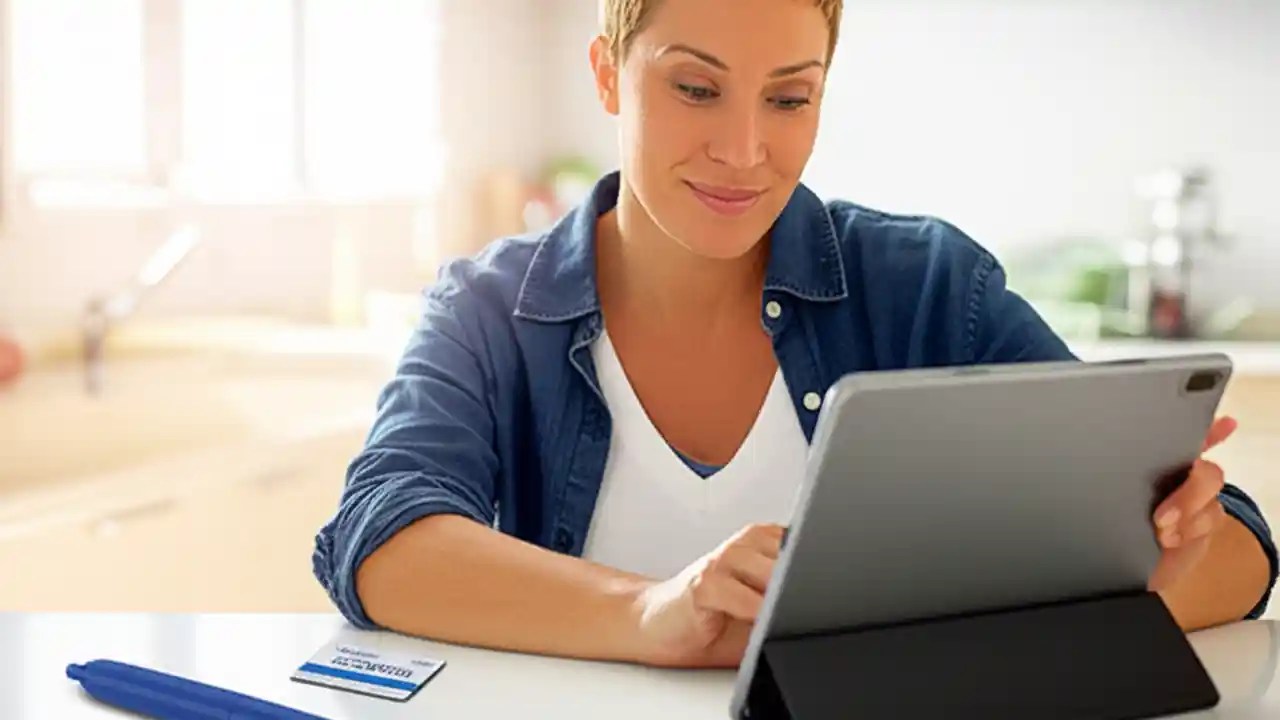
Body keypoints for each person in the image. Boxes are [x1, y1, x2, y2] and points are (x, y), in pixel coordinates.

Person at [312, 0, 1277, 669]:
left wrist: (1147, 571)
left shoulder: (928, 288)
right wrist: (653, 614)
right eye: (696, 89)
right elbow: (380, 540)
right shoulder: (486, 310)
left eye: (788, 97)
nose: (744, 152)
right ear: (609, 73)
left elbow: (1239, 553)